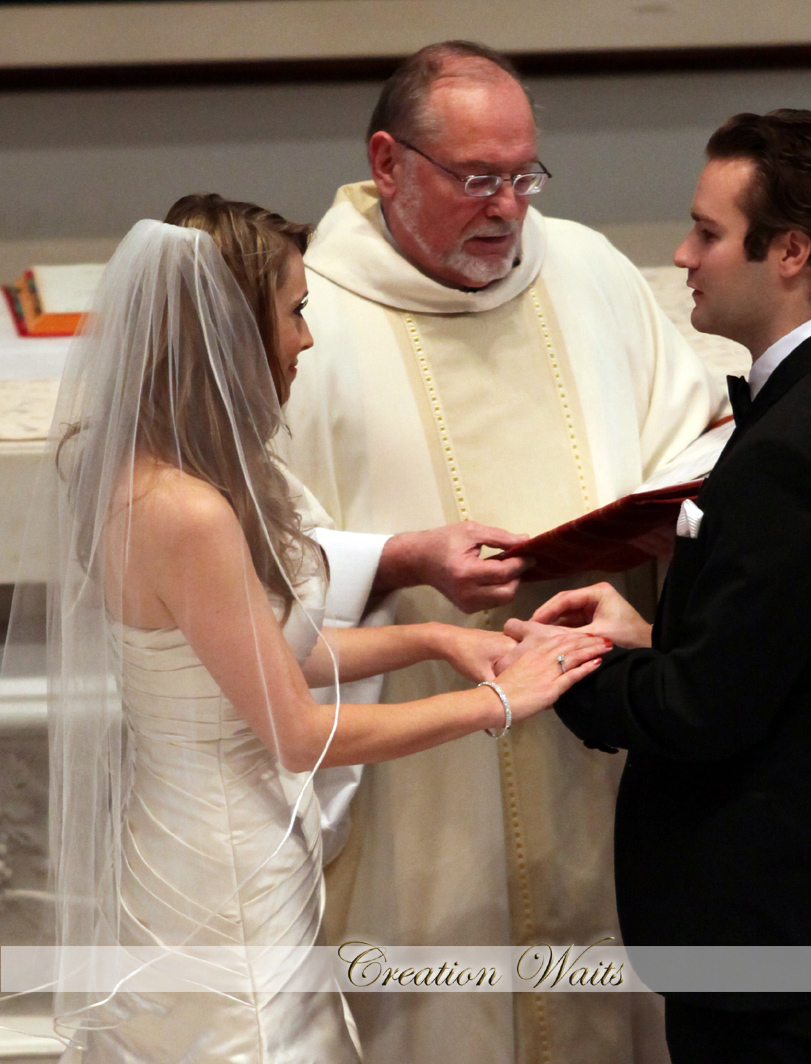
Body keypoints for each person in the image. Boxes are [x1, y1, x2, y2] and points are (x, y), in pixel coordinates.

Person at [0, 195, 606, 1062]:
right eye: (295, 312)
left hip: (186, 850)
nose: (307, 339)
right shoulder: (189, 511)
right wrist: (498, 703)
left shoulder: (141, 476)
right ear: (235, 333)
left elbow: (255, 661)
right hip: (226, 878)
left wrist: (435, 641)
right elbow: (294, 730)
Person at [282, 40, 726, 1063]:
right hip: (417, 763)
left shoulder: (587, 271)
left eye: (525, 175)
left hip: (595, 715)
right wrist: (397, 558)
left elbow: (693, 433)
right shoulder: (307, 313)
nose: (509, 207)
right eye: (477, 178)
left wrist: (646, 521)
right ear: (387, 163)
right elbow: (253, 550)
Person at [529, 109, 811, 1063]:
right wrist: (652, 637)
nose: (684, 255)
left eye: (709, 232)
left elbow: (702, 712)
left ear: (791, 250)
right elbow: (801, 652)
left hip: (749, 915)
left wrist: (566, 665)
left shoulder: (797, 445)